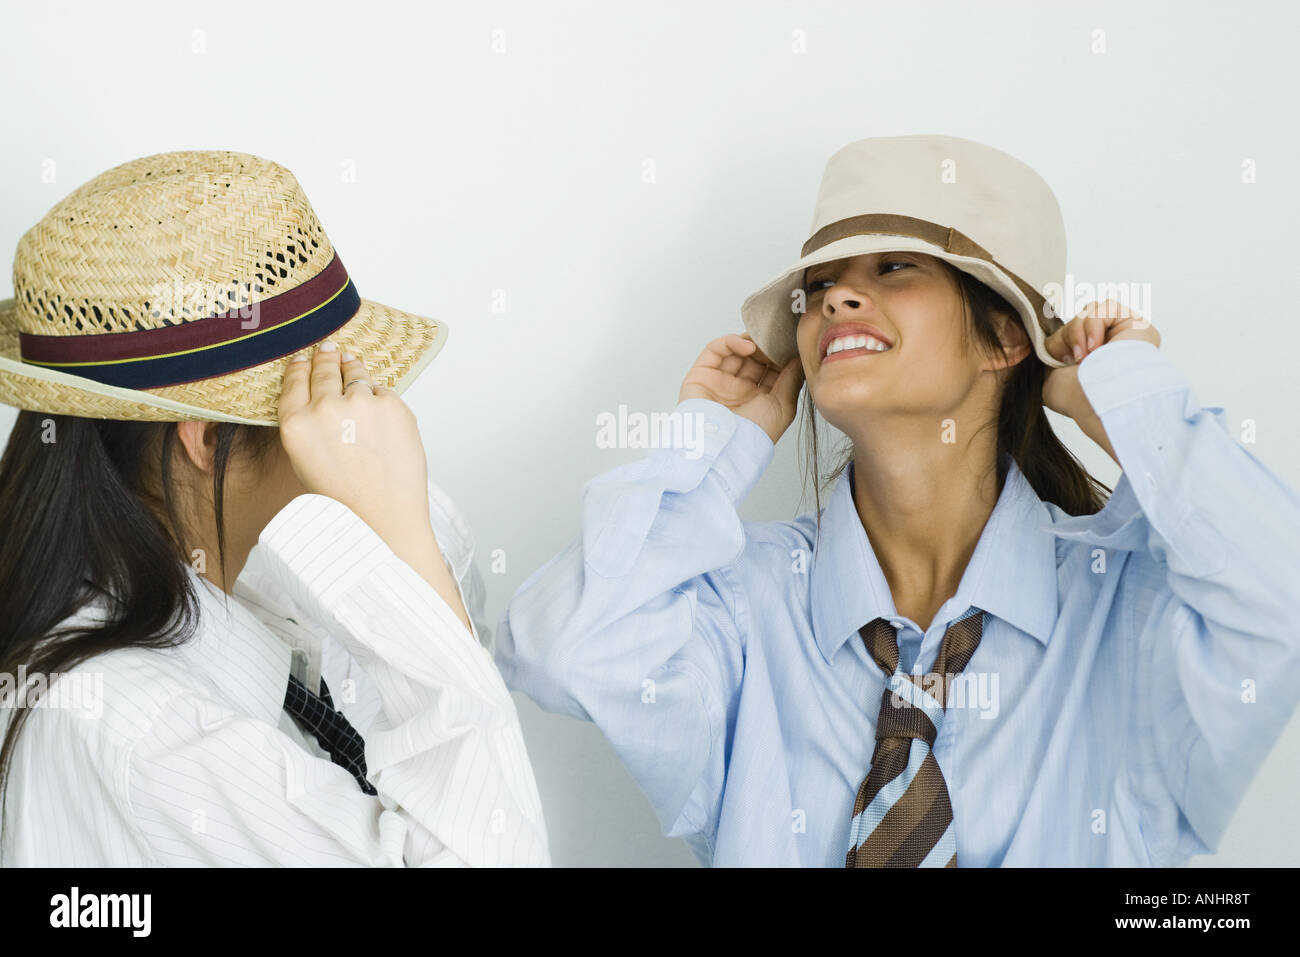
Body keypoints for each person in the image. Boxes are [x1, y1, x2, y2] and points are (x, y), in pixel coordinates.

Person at [494, 134, 1300, 866]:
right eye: (820, 284)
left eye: (892, 268)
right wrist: (716, 441)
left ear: (1006, 336)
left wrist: (1120, 396)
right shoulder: (740, 607)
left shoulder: (1124, 614)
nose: (835, 299)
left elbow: (1282, 598)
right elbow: (564, 649)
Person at [0, 150, 549, 866]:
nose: (366, 410)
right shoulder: (149, 733)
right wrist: (401, 537)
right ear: (206, 440)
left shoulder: (244, 600)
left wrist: (395, 541)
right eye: (327, 393)